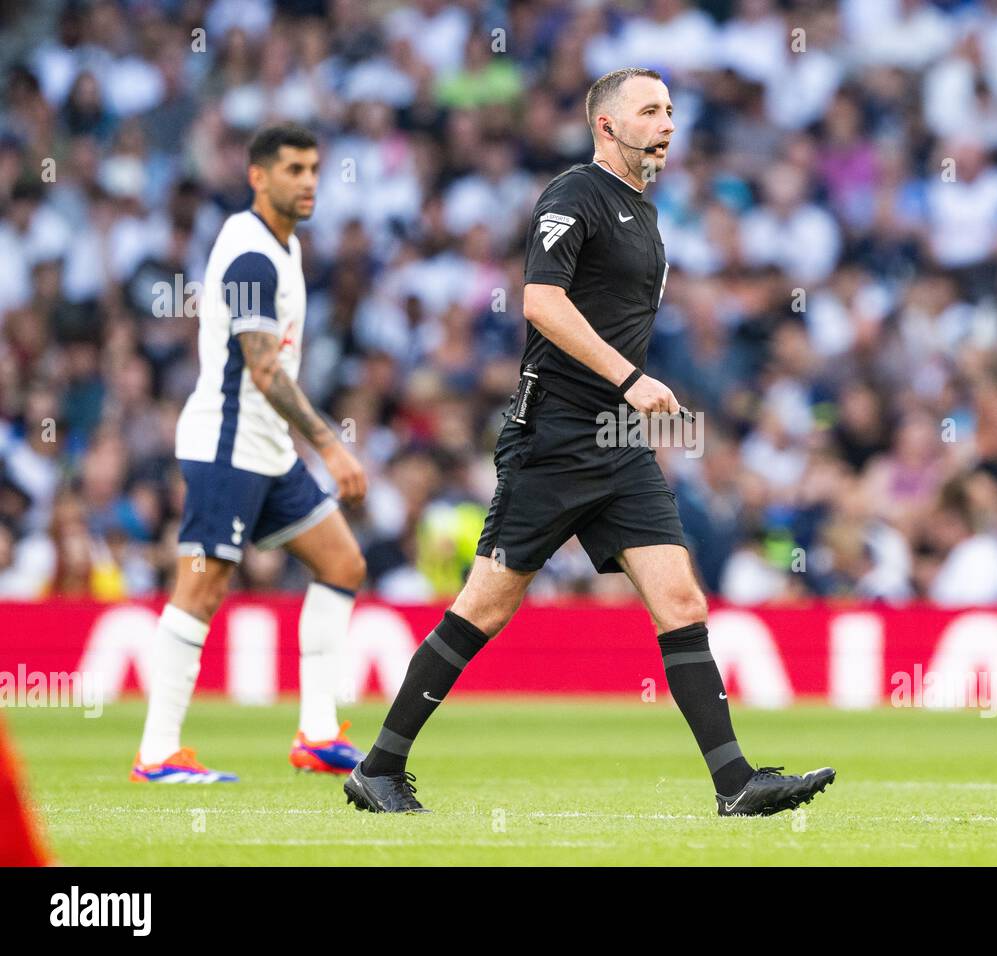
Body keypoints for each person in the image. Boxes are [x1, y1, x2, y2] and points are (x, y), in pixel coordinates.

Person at [345, 68, 835, 817]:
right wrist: (630, 378)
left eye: (671, 109)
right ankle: (379, 766)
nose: (667, 122)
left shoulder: (644, 210)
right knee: (487, 604)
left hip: (617, 440)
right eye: (649, 110)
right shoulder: (574, 194)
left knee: (679, 596)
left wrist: (629, 396)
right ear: (607, 125)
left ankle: (735, 783)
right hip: (555, 436)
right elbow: (541, 301)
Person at [132, 124, 369, 783]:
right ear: (258, 176)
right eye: (293, 168)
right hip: (226, 445)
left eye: (315, 167)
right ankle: (156, 754)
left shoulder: (281, 248)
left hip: (266, 452)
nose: (309, 180)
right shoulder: (252, 257)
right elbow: (263, 369)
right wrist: (331, 447)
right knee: (203, 589)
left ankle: (318, 735)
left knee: (343, 563)